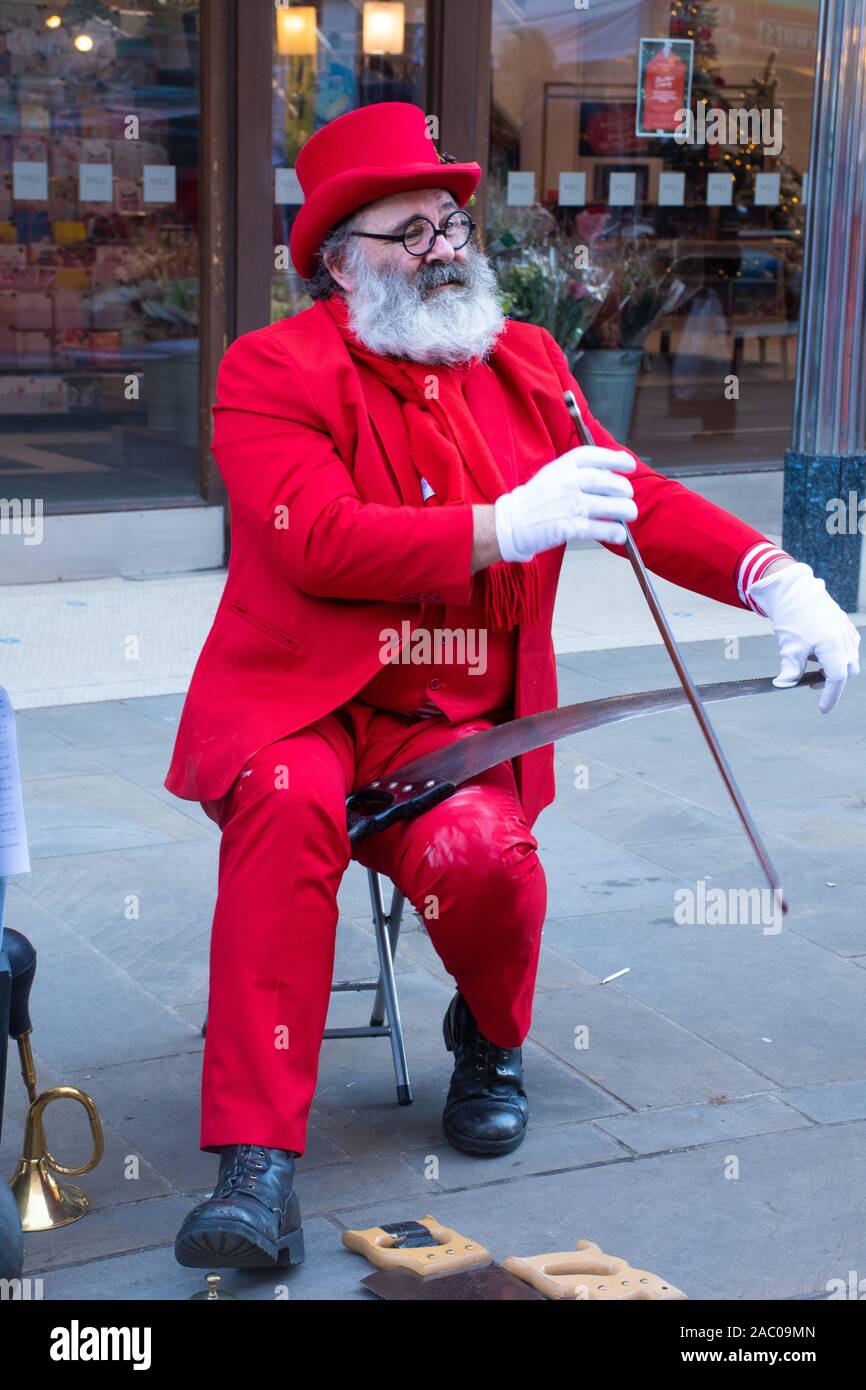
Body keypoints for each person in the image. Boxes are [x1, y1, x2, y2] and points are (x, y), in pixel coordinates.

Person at [166, 102, 860, 1270]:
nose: (445, 246)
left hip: (457, 722)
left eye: (449, 221)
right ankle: (256, 1166)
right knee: (283, 806)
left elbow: (630, 495)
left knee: (484, 856)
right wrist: (499, 524)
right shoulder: (268, 368)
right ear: (342, 260)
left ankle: (487, 1036)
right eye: (410, 229)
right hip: (304, 708)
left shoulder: (527, 362)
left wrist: (775, 577)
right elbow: (315, 539)